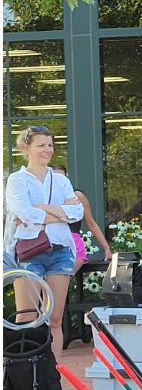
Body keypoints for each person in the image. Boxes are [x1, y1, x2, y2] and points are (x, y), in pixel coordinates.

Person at [4, 125, 83, 362]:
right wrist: (60, 212)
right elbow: (24, 213)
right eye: (41, 145)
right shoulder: (17, 180)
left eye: (50, 145)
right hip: (30, 252)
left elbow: (77, 212)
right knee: (27, 317)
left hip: (60, 251)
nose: (47, 150)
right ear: (26, 148)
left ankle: (53, 375)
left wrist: (42, 209)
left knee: (55, 318)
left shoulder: (60, 180)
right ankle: (24, 374)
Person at [49, 164, 112, 271]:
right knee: (48, 285)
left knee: (60, 281)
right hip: (50, 243)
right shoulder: (43, 197)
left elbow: (90, 222)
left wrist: (106, 248)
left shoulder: (76, 196)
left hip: (73, 243)